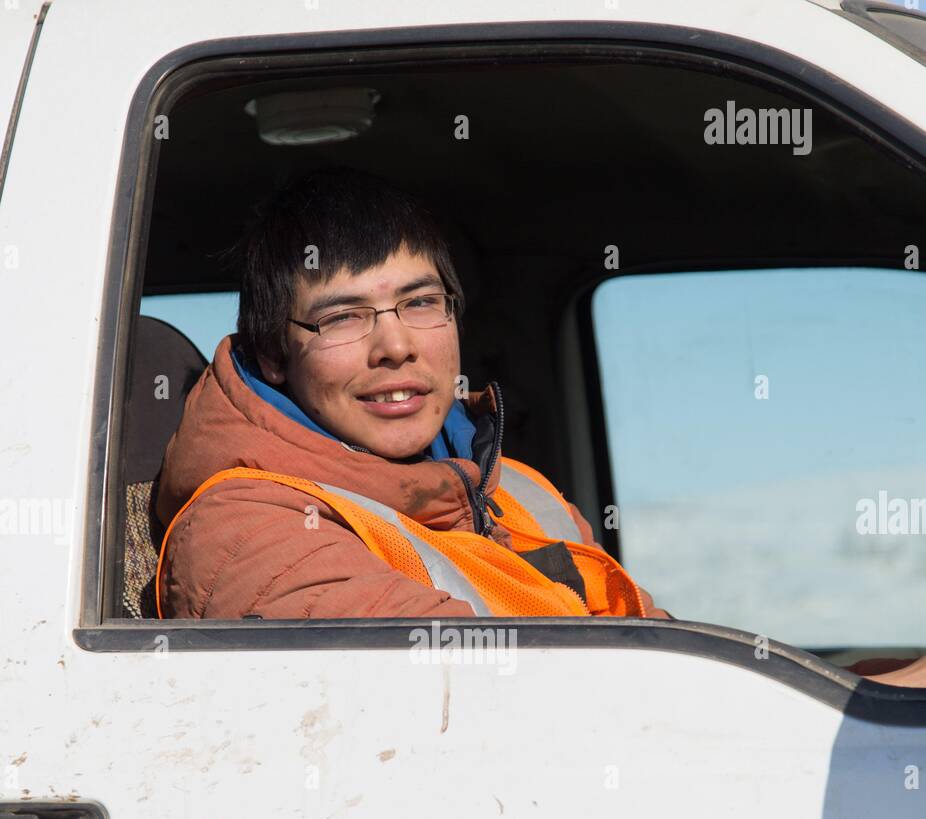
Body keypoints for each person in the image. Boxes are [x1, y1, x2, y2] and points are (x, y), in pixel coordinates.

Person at [154, 167, 925, 685]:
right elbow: (521, 714)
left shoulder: (516, 490)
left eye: (421, 303)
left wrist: (865, 693)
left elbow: (649, 651)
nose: (395, 345)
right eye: (342, 317)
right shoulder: (251, 531)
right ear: (273, 355)